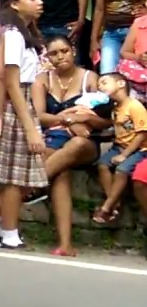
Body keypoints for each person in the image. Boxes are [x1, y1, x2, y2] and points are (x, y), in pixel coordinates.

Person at [0, 0, 47, 250]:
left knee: (24, 173)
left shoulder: (22, 33)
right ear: (15, 3)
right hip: (15, 102)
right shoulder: (13, 35)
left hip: (22, 100)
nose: (39, 2)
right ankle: (8, 231)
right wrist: (29, 125)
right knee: (13, 176)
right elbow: (11, 81)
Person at [31, 35, 108, 256]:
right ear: (48, 57)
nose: (60, 57)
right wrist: (66, 119)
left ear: (73, 50)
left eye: (64, 51)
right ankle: (65, 244)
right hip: (53, 140)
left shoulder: (90, 78)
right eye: (53, 54)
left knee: (75, 144)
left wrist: (81, 120)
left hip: (86, 142)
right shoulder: (42, 79)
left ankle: (32, 187)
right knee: (61, 171)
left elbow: (106, 120)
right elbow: (39, 116)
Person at [91, 72, 147, 225]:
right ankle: (114, 203)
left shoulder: (134, 106)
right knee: (102, 165)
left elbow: (142, 134)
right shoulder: (115, 107)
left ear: (121, 84)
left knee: (122, 170)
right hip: (119, 145)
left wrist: (125, 154)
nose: (100, 86)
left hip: (139, 148)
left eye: (104, 82)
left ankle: (106, 207)